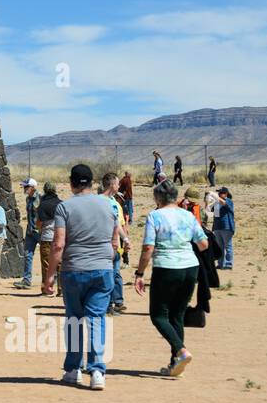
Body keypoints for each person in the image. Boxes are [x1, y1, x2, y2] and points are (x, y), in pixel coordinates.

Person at [50, 164, 122, 390]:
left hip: (74, 269)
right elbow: (114, 240)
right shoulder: (109, 205)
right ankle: (97, 371)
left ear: (71, 183)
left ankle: (73, 369)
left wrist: (50, 274)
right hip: (103, 269)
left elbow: (59, 243)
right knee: (97, 319)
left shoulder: (65, 207)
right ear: (92, 182)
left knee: (74, 319)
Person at [133, 178, 208, 378]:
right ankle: (175, 362)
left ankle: (181, 350)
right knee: (177, 315)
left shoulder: (155, 216)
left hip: (167, 268)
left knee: (158, 315)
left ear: (158, 197)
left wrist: (139, 273)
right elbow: (203, 244)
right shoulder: (188, 216)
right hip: (190, 267)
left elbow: (148, 247)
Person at [101, 173, 130, 314]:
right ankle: (106, 306)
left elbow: (118, 224)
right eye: (117, 183)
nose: (119, 186)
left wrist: (125, 239)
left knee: (115, 275)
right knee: (106, 276)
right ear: (112, 185)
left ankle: (116, 302)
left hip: (115, 247)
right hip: (103, 246)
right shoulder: (100, 201)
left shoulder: (116, 203)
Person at [36, 182, 60, 296]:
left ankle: (47, 289)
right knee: (60, 264)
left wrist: (40, 229)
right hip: (59, 238)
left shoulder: (42, 205)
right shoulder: (61, 204)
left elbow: (39, 222)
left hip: (46, 237)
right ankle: (62, 289)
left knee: (46, 264)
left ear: (45, 190)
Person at [17, 177, 39, 289]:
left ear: (33, 187)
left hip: (40, 231)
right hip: (30, 231)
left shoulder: (40, 198)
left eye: (26, 186)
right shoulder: (28, 199)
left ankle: (53, 277)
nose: (24, 188)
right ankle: (27, 280)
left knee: (47, 254)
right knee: (28, 255)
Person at [212, 187, 235, 270]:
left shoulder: (229, 201)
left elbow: (225, 203)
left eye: (220, 193)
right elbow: (211, 211)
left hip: (227, 227)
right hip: (218, 227)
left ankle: (229, 264)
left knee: (228, 246)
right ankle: (221, 264)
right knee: (219, 247)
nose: (218, 194)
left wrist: (216, 198)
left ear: (225, 194)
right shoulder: (217, 202)